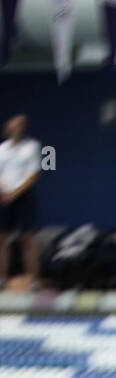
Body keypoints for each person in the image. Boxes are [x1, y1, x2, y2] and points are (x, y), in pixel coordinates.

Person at [0, 113, 42, 286]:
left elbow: (34, 174)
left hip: (24, 197)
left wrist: (15, 192)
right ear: (8, 128)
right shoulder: (1, 148)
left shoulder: (32, 147)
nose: (18, 127)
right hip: (4, 197)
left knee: (28, 239)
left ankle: (33, 279)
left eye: (21, 124)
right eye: (15, 124)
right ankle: (2, 278)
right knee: (2, 239)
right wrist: (4, 192)